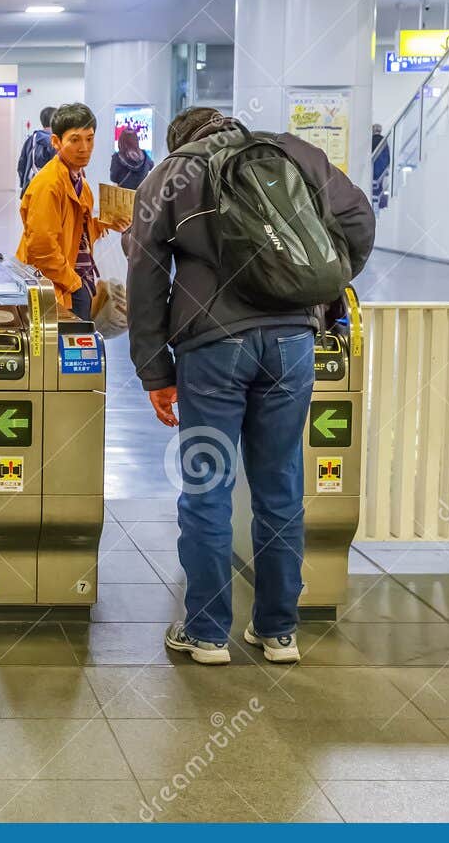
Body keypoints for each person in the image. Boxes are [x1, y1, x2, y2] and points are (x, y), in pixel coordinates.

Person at [125, 106, 375, 667]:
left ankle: (208, 632)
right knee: (280, 483)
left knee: (207, 484)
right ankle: (279, 631)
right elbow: (358, 219)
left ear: (179, 140)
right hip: (292, 340)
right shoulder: (293, 152)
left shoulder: (170, 174)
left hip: (211, 345)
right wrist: (322, 288)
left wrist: (154, 371)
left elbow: (144, 272)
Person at [17, 102, 123, 319]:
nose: (84, 147)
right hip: (59, 289)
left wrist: (104, 223)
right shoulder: (48, 185)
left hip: (74, 283)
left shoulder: (80, 184)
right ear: (56, 142)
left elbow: (76, 233)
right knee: (64, 351)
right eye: (74, 140)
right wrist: (75, 284)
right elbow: (42, 249)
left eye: (89, 139)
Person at [17, 105, 55, 192]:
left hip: (31, 188)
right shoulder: (57, 142)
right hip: (50, 190)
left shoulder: (31, 139)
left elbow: (21, 165)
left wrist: (23, 184)